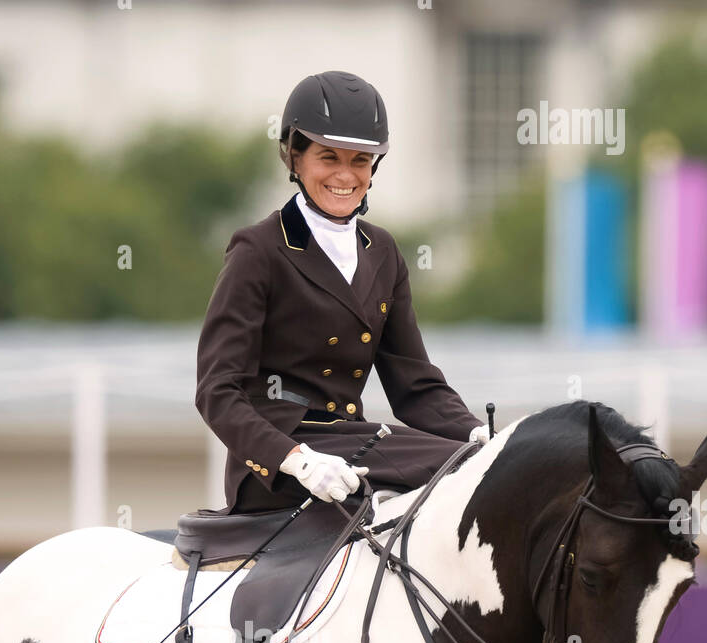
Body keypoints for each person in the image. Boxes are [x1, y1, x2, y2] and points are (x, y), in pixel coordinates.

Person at [196, 70, 489, 514]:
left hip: (354, 442)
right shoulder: (258, 249)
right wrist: (295, 460)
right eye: (328, 158)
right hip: (283, 460)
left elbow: (414, 384)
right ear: (294, 158)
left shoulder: (383, 251)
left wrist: (476, 434)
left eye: (360, 161)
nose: (345, 176)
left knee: (476, 463)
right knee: (461, 471)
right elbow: (216, 391)